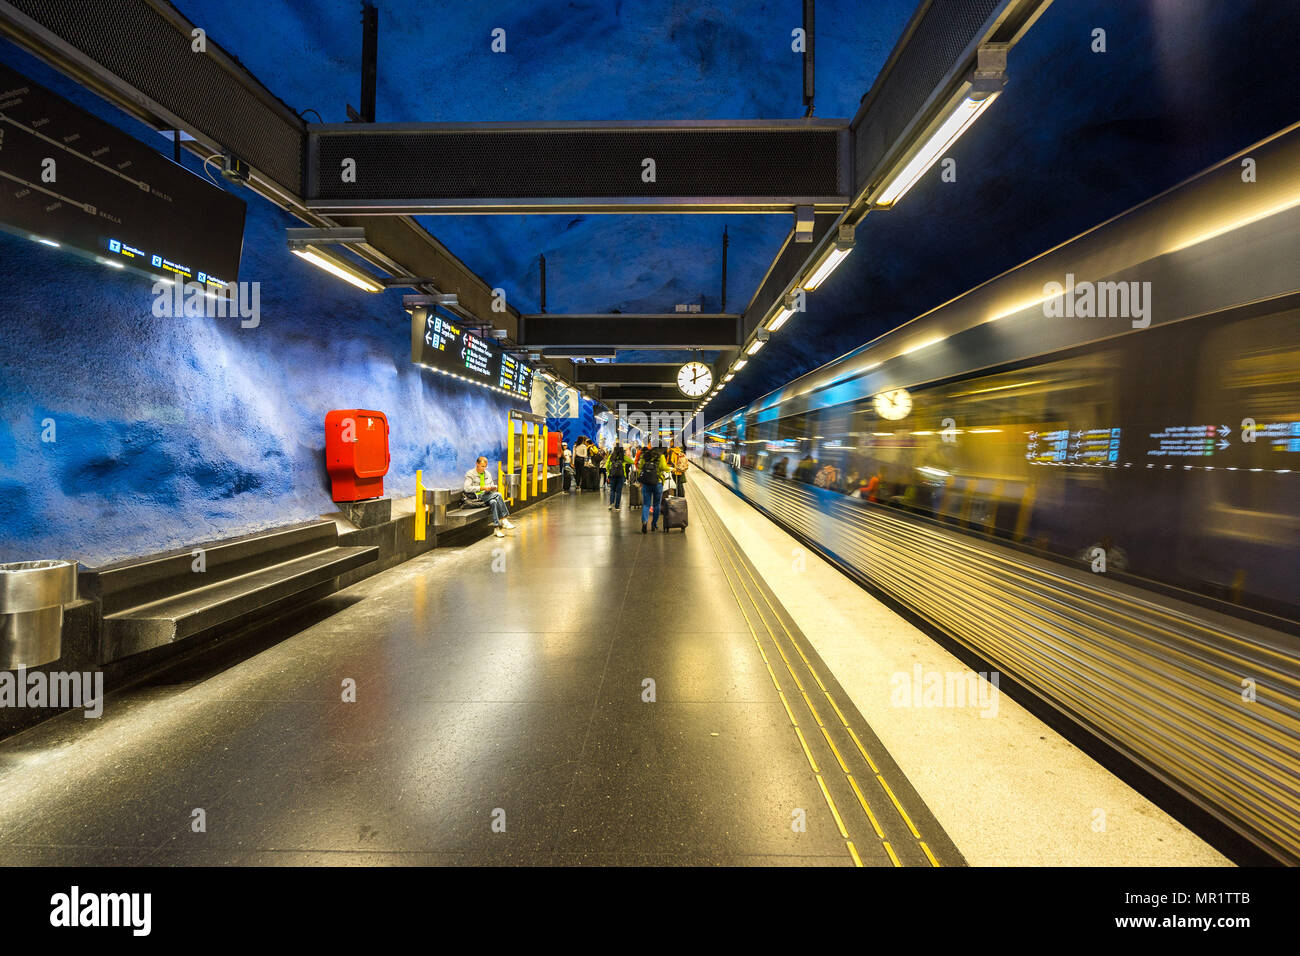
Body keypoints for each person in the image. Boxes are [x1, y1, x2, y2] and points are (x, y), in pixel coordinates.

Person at [463, 456, 514, 537]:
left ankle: (496, 529)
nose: (484, 468)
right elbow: (466, 488)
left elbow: (491, 486)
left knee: (493, 502)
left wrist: (492, 488)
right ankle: (504, 519)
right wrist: (481, 488)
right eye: (482, 466)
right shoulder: (470, 474)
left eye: (485, 466)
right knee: (498, 495)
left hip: (488, 495)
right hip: (477, 498)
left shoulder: (487, 474)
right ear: (477, 464)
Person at [637, 441, 671, 533]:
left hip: (646, 483)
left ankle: (644, 522)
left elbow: (640, 467)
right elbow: (664, 468)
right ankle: (654, 524)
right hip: (658, 483)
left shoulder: (645, 454)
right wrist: (671, 468)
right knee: (656, 505)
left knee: (646, 504)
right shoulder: (661, 456)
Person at [607, 443, 628, 510]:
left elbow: (607, 466)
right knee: (618, 491)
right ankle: (617, 506)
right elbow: (632, 461)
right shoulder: (623, 457)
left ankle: (611, 504)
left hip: (612, 475)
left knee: (612, 490)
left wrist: (609, 472)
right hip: (621, 475)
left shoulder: (611, 456)